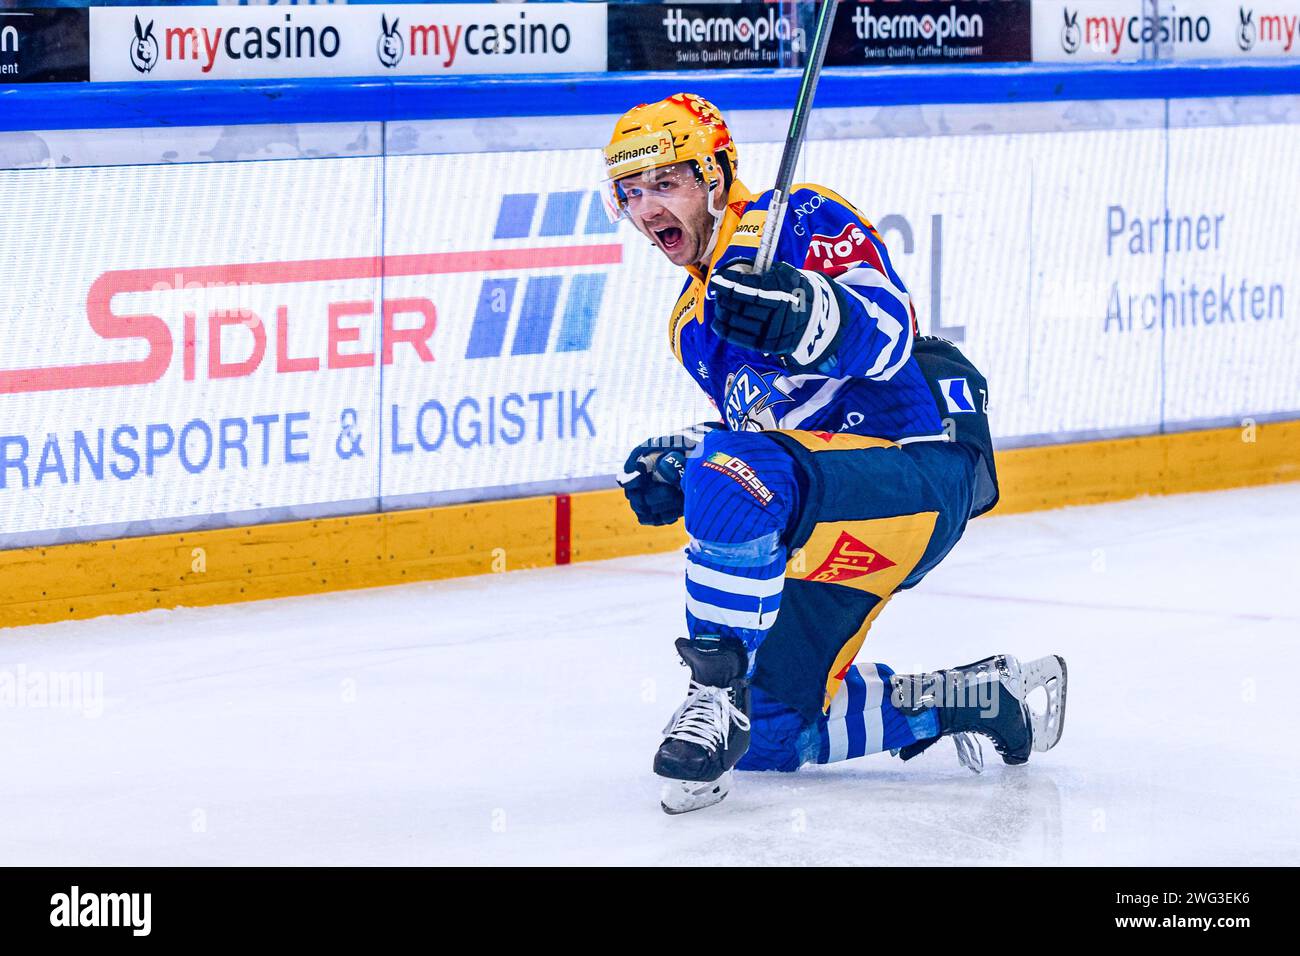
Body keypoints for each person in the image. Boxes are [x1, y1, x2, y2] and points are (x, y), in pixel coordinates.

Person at [605, 93, 1067, 814]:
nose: (646, 208)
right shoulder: (689, 326)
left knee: (732, 476)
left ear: (718, 176)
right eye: (631, 193)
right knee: (772, 733)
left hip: (917, 467)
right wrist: (680, 459)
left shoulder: (797, 218)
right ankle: (974, 697)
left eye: (666, 183)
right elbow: (768, 432)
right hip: (838, 511)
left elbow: (891, 332)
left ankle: (711, 693)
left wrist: (807, 309)